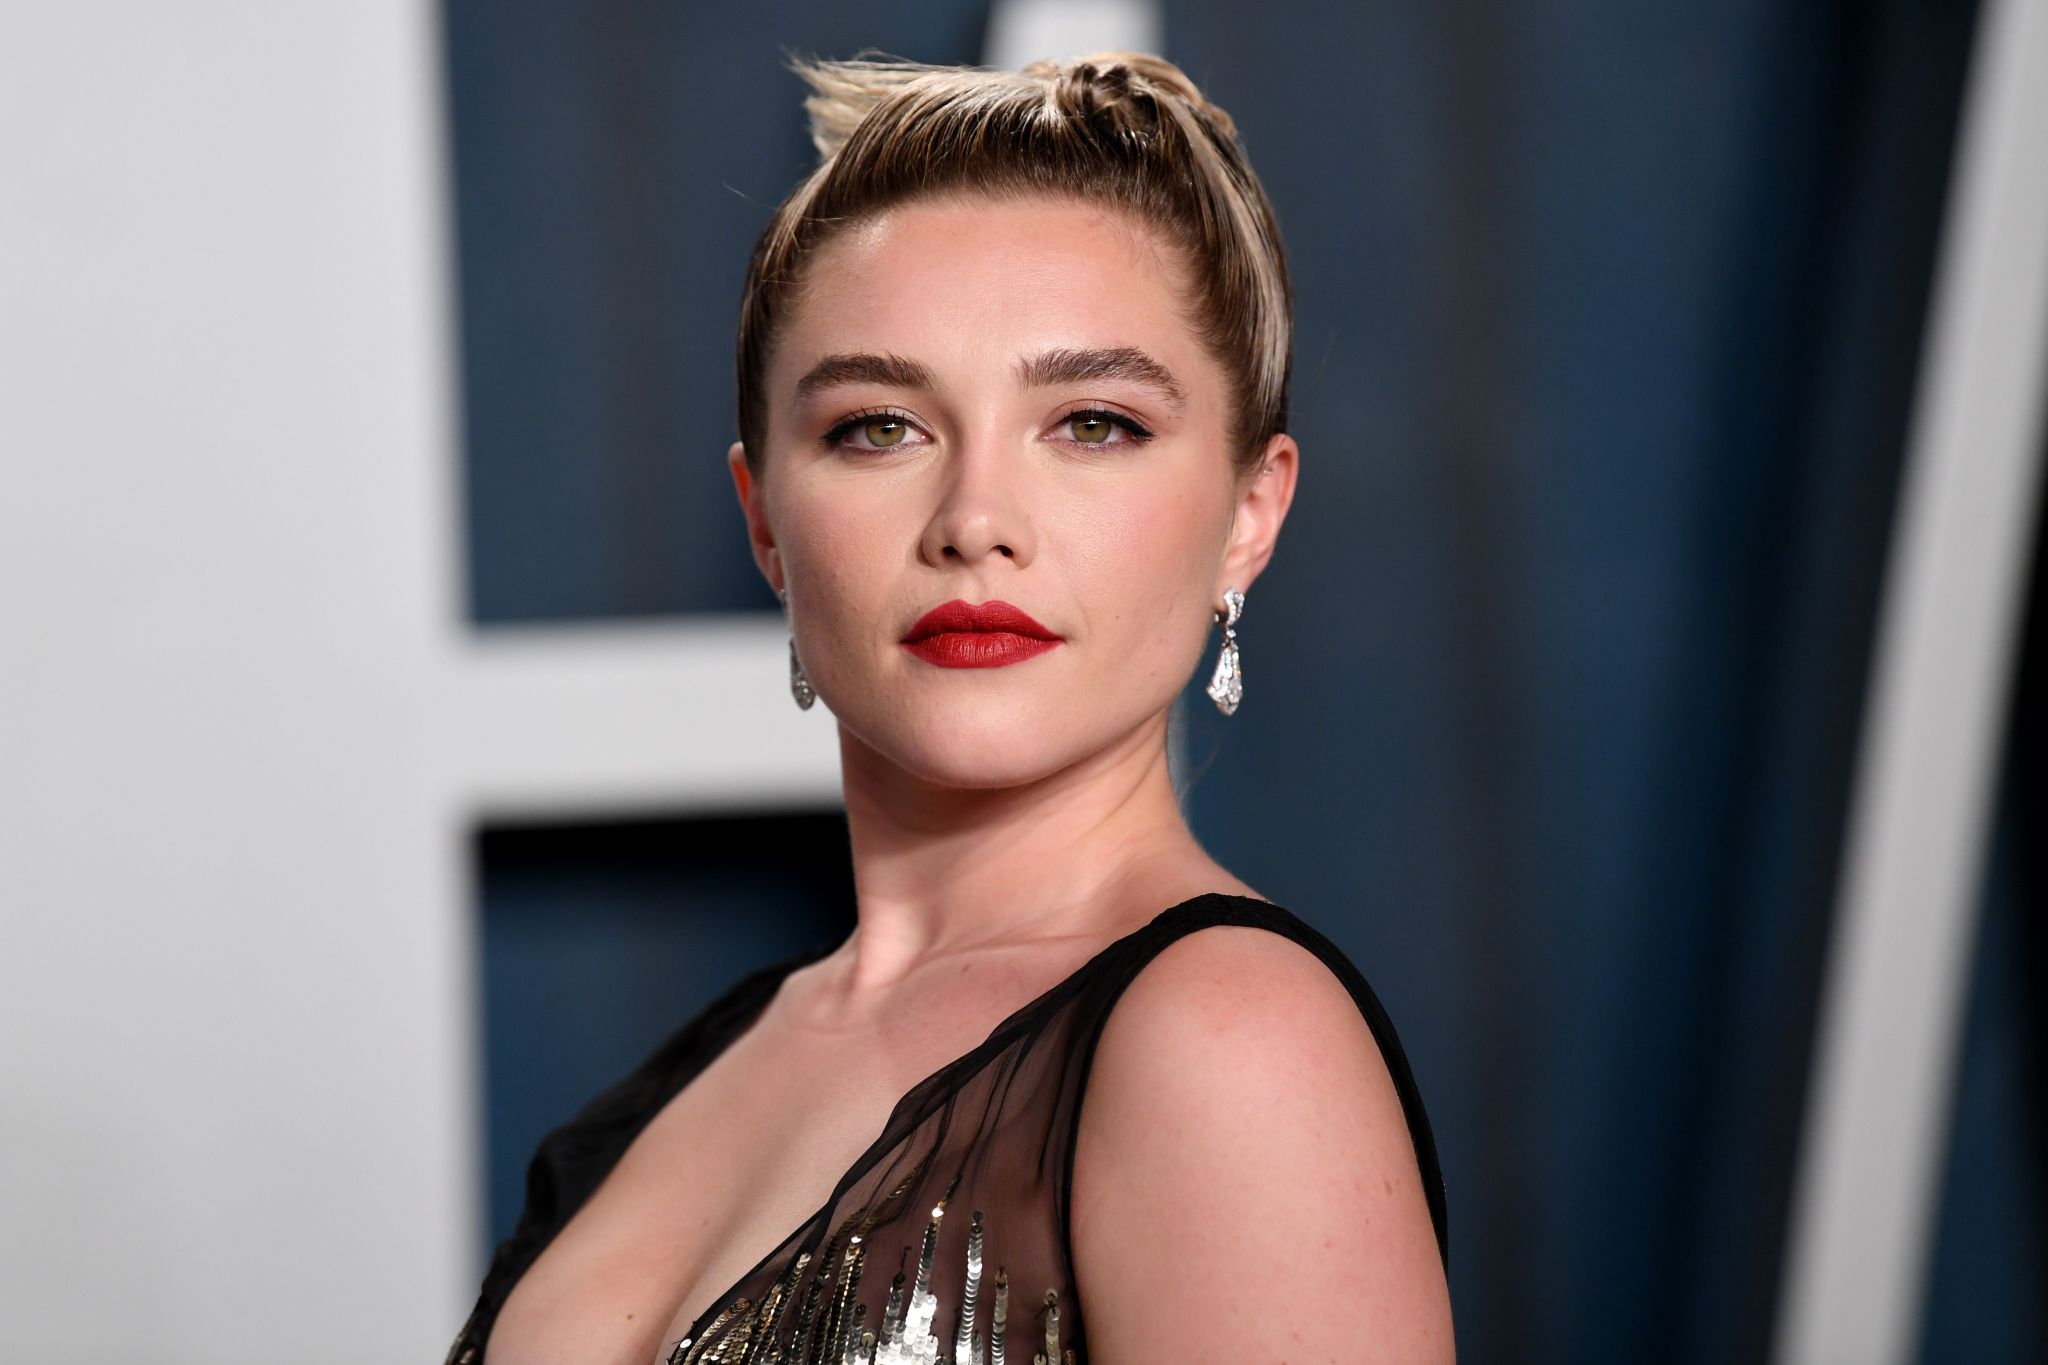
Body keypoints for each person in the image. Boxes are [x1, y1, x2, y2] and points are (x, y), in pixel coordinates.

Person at [449, 49, 1452, 1365]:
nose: (975, 522)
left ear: (1249, 515)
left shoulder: (1231, 1041)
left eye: (1093, 423)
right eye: (879, 427)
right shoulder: (686, 1081)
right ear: (765, 521)